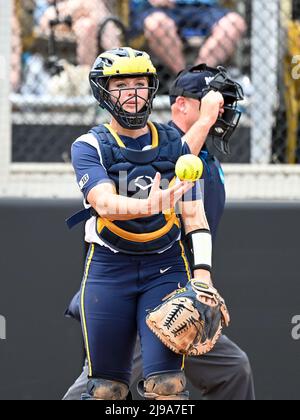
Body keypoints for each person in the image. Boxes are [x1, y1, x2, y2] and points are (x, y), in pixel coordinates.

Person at [63, 61, 255, 400]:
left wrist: (202, 279)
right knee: (105, 390)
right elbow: (113, 200)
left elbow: (196, 218)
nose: (221, 111)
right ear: (181, 104)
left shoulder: (200, 158)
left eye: (223, 105)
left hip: (173, 287)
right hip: (120, 279)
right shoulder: (139, 148)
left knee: (219, 373)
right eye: (212, 103)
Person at [129, 0, 246, 74]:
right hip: (163, 7)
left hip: (205, 6)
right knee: (156, 24)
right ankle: (183, 78)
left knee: (234, 24)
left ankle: (198, 76)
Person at [38, 0, 122, 66]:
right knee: (92, 5)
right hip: (56, 13)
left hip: (83, 19)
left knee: (87, 26)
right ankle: (116, 53)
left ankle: (87, 72)